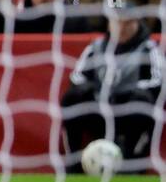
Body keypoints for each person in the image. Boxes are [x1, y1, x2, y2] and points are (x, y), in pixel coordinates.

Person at [60, 9, 164, 172]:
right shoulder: (96, 47)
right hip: (99, 108)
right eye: (117, 22)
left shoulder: (149, 49)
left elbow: (158, 83)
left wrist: (124, 93)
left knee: (143, 101)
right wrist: (94, 90)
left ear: (137, 23)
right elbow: (77, 78)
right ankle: (73, 162)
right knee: (71, 98)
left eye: (127, 22)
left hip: (129, 112)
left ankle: (132, 164)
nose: (121, 27)